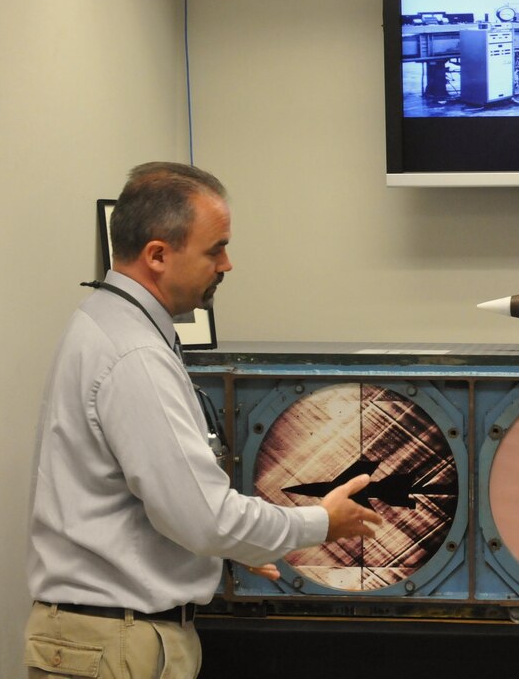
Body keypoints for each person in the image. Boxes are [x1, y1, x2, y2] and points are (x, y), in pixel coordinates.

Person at [24, 162, 384, 678]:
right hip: (117, 645)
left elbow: (156, 508)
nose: (228, 264)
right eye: (215, 249)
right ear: (157, 255)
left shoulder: (100, 323)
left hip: (100, 640)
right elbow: (204, 517)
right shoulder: (135, 356)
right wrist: (322, 522)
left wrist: (224, 548)